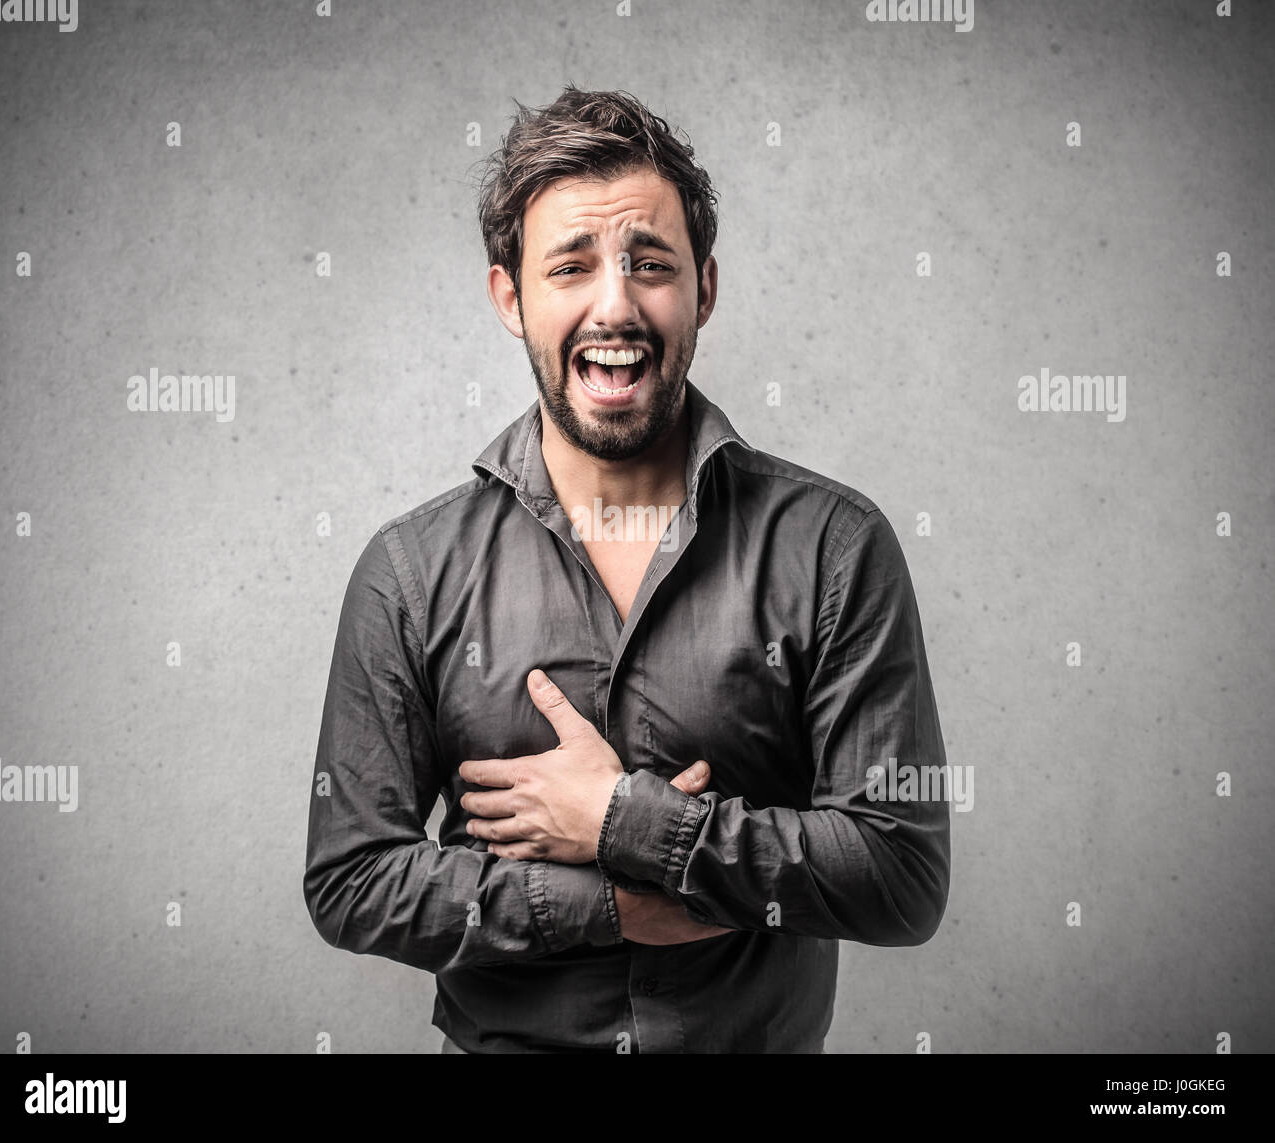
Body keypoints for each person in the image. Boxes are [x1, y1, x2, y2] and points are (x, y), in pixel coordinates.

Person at [303, 84, 950, 1054]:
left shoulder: (832, 546)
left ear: (704, 288)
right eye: (570, 266)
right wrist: (606, 904)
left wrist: (623, 818)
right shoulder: (410, 572)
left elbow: (899, 874)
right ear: (510, 298)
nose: (615, 303)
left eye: (650, 263)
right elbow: (350, 881)